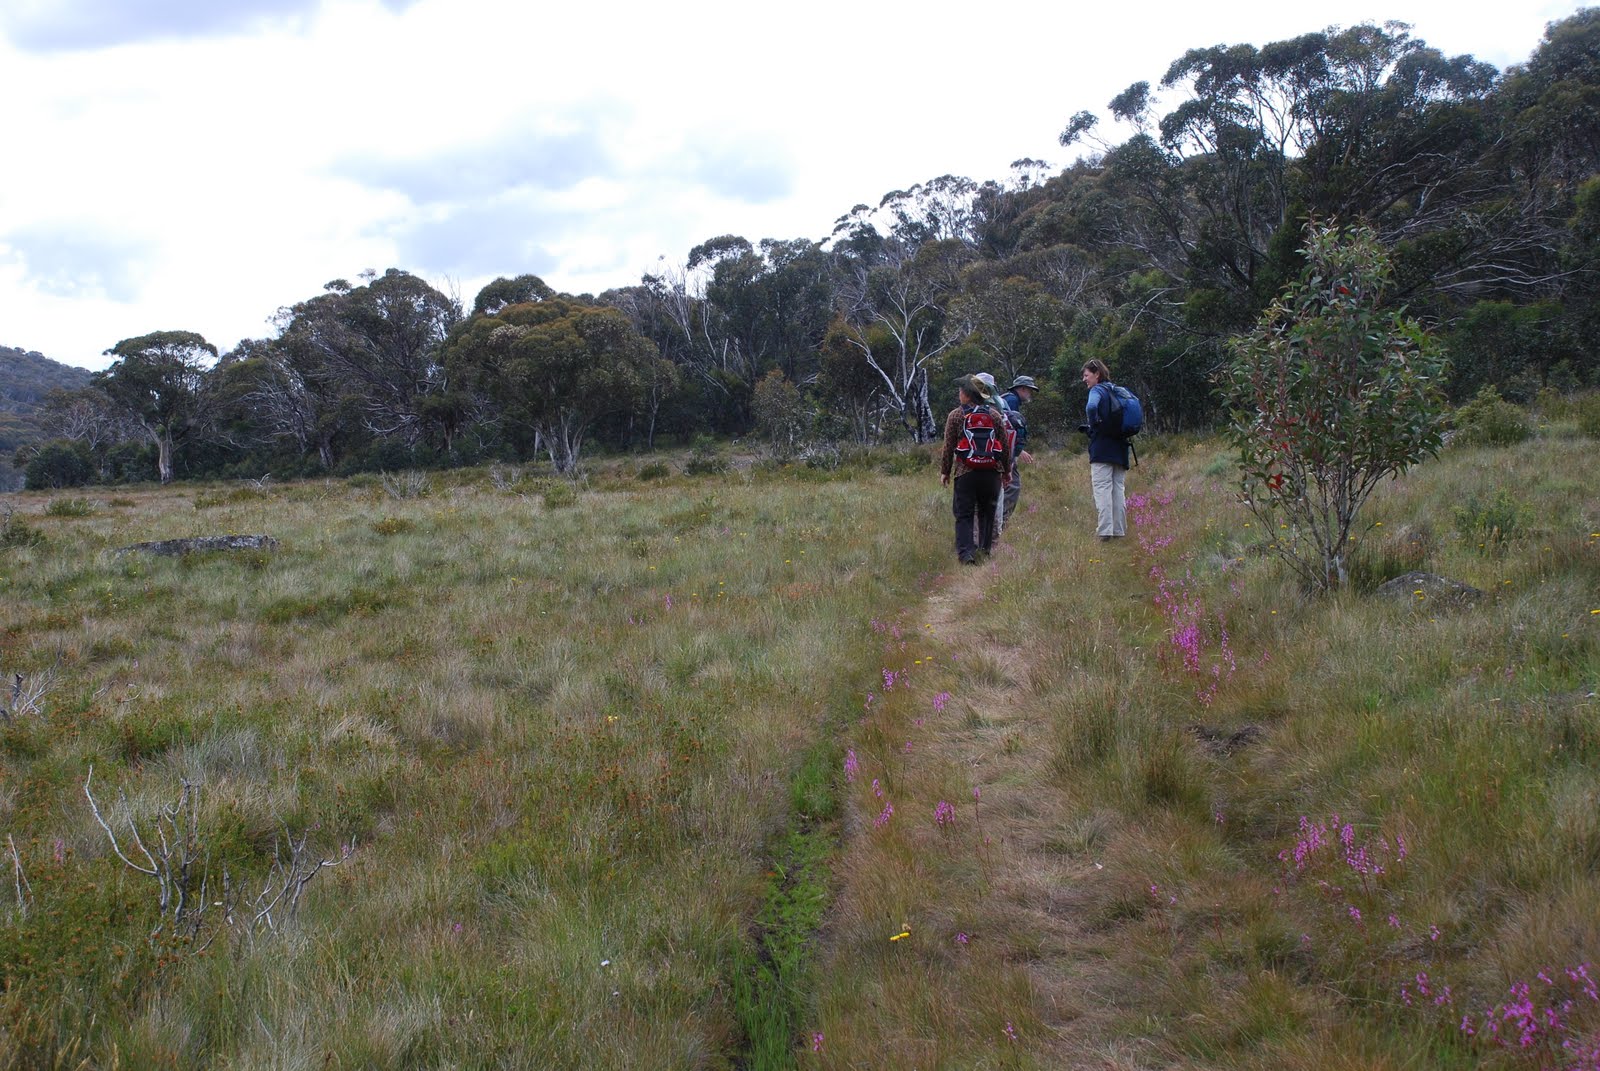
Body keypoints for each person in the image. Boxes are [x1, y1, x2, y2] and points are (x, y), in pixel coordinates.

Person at [940, 375, 1012, 564]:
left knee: (964, 514)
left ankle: (966, 554)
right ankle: (985, 551)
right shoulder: (995, 415)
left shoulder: (956, 415)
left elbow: (948, 447)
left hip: (966, 473)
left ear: (967, 395)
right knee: (987, 513)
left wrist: (945, 471)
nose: (959, 394)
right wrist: (1006, 472)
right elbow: (1004, 446)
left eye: (961, 391)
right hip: (992, 473)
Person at [1080, 359, 1128, 541]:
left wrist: (1094, 424)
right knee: (1118, 489)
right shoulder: (1116, 390)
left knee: (1102, 489)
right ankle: (1119, 530)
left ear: (1097, 374)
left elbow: (1092, 406)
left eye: (1086, 375)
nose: (1084, 379)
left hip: (1102, 448)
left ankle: (1105, 532)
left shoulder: (1097, 390)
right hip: (1121, 448)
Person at [1000, 375, 1038, 520]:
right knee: (1012, 486)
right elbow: (1009, 428)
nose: (1030, 394)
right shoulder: (1012, 401)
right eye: (1029, 390)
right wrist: (1018, 450)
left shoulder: (1008, 399)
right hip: (1006, 452)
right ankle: (1000, 522)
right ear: (1022, 389)